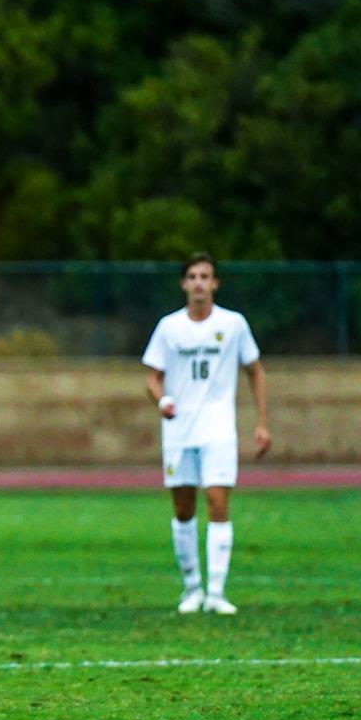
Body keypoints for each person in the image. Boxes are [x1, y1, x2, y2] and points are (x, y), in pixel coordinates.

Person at [140, 252, 272, 615]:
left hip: (217, 428)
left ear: (215, 284)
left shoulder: (233, 325)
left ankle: (216, 591)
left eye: (206, 276)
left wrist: (262, 422)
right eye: (193, 276)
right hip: (179, 430)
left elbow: (255, 371)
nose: (199, 282)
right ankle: (192, 588)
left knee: (217, 500)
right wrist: (162, 398)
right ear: (184, 284)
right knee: (183, 508)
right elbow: (151, 376)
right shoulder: (169, 328)